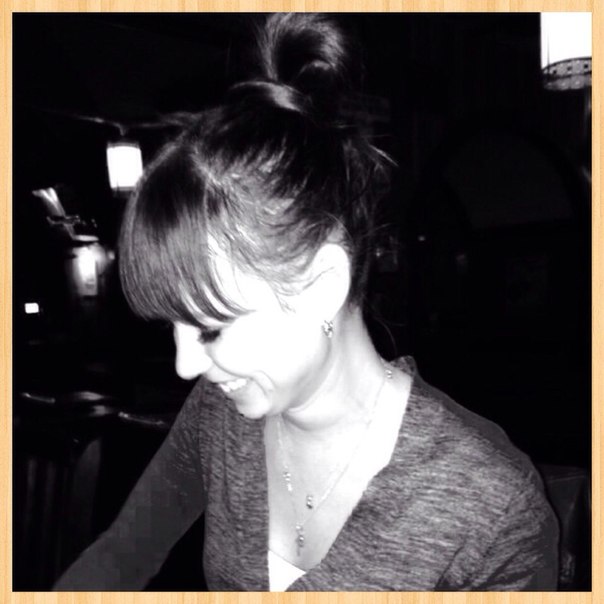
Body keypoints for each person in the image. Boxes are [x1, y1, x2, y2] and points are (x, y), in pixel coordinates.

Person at [54, 13, 559, 591]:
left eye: (211, 327)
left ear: (322, 287)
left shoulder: (491, 508)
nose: (185, 365)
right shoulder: (219, 414)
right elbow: (121, 555)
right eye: (174, 325)